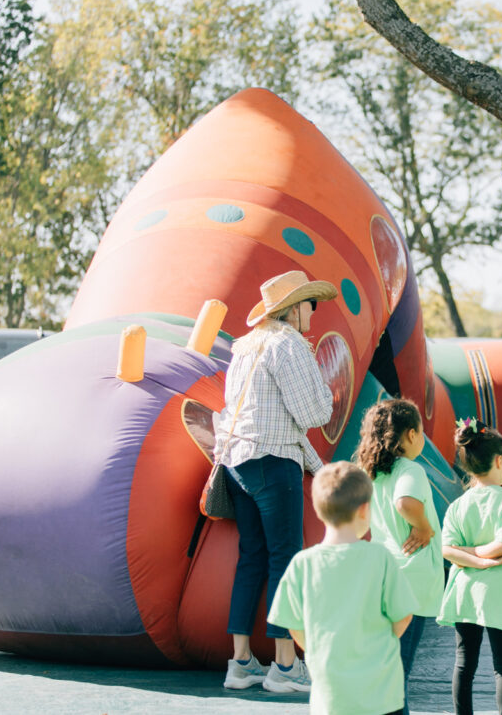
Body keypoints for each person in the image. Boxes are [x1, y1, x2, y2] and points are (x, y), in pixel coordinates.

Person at [216, 269, 336, 693]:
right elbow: (314, 414)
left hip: (236, 460)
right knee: (285, 557)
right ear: (294, 308)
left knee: (251, 557)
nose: (314, 313)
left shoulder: (245, 345)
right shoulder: (288, 345)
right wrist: (329, 394)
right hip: (274, 458)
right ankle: (285, 665)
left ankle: (241, 661)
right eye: (311, 304)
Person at [267, 462, 418, 715]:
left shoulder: (302, 564)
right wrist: (381, 644)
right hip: (381, 692)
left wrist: (317, 647)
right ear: (364, 510)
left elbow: (293, 624)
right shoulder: (380, 558)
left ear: (317, 508)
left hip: (332, 695)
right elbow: (403, 616)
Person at [357, 399, 443, 715]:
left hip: (384, 573)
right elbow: (405, 502)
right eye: (421, 433)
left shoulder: (372, 472)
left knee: (387, 665)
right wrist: (423, 527)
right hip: (410, 578)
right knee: (398, 670)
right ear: (409, 435)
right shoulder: (410, 469)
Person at [437, 419, 502, 715]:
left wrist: (469, 558)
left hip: (464, 594)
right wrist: (482, 559)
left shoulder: (457, 506)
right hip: (499, 597)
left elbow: (448, 550)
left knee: (464, 665)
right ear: (500, 460)